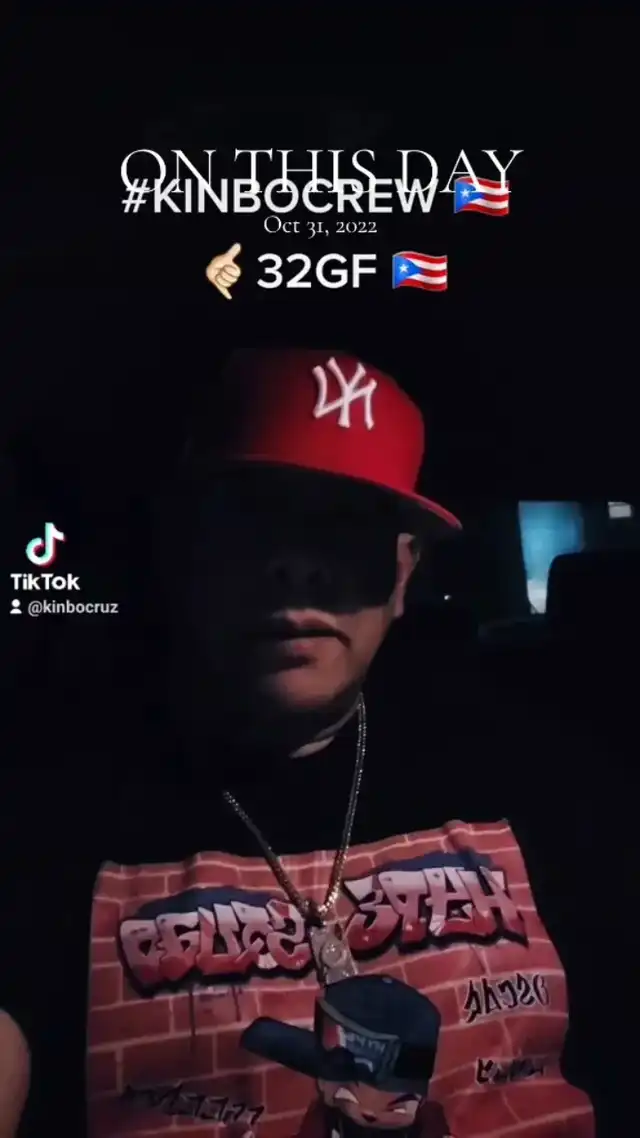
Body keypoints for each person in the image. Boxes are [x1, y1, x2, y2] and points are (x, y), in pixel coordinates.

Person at [0, 350, 605, 1138]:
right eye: (254, 518)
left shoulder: (540, 771)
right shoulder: (47, 809)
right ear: (186, 551)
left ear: (402, 574)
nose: (297, 565)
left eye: (344, 526)